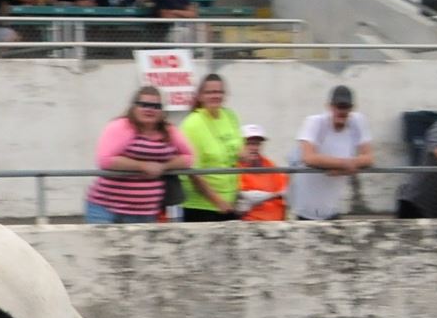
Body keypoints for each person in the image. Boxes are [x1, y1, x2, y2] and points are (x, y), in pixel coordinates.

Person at [88, 88, 195, 223]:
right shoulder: (120, 126)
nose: (149, 110)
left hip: (145, 212)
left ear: (162, 111)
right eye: (144, 105)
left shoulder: (170, 131)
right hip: (107, 209)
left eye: (156, 106)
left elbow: (189, 157)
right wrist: (142, 166)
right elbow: (105, 160)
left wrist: (164, 166)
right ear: (134, 107)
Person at [289, 85, 372, 220]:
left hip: (333, 207)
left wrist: (339, 168)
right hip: (305, 209)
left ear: (352, 108)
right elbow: (309, 158)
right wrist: (346, 165)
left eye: (346, 107)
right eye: (338, 107)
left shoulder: (358, 121)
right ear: (329, 106)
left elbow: (369, 158)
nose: (342, 111)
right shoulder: (314, 122)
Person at [178, 73, 245, 220]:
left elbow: (238, 150)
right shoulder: (192, 124)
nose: (216, 96)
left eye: (219, 92)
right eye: (210, 92)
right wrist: (218, 202)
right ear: (200, 96)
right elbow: (193, 172)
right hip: (202, 206)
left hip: (230, 202)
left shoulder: (229, 115)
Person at [233, 128, 288, 220]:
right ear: (240, 145)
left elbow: (286, 189)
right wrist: (275, 195)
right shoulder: (234, 167)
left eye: (257, 144)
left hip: (277, 223)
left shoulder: (269, 164)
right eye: (249, 144)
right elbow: (245, 198)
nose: (255, 148)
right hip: (251, 223)